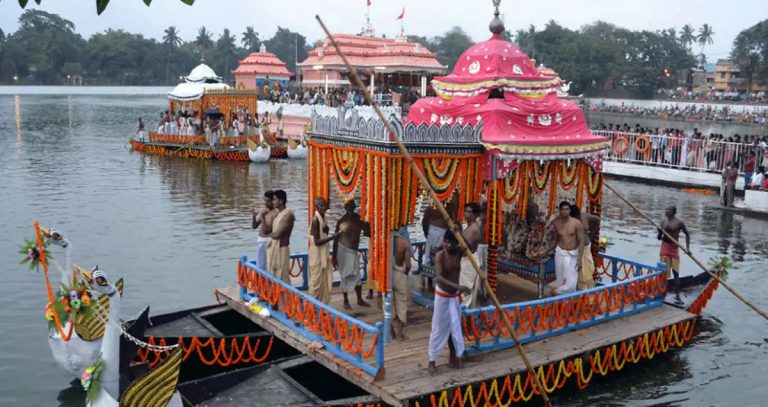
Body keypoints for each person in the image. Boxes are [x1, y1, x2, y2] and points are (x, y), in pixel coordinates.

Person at [428, 230, 470, 376]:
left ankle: (457, 357)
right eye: (448, 242)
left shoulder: (459, 251)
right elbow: (439, 277)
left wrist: (458, 232)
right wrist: (458, 287)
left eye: (453, 242)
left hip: (454, 297)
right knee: (438, 328)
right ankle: (432, 361)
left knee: (456, 327)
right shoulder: (441, 255)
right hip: (443, 296)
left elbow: (468, 245)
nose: (450, 245)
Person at [333, 201, 371, 310]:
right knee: (345, 276)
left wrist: (368, 221)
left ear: (354, 207)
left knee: (357, 276)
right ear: (345, 208)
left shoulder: (359, 219)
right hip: (343, 251)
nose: (350, 208)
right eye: (348, 206)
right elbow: (336, 239)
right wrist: (334, 257)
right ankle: (346, 301)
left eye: (351, 206)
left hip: (353, 252)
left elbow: (368, 232)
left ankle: (359, 299)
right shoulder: (342, 221)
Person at [543, 201, 583, 296]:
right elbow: (555, 240)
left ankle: (556, 292)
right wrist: (546, 251)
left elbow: (581, 242)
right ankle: (562, 303)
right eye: (563, 209)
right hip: (560, 253)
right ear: (560, 211)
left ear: (569, 210)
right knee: (560, 280)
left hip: (572, 254)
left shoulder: (576, 223)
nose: (565, 211)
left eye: (567, 209)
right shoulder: (557, 223)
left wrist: (580, 259)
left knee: (571, 283)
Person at [308, 197, 339, 304]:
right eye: (320, 206)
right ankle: (311, 306)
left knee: (323, 281)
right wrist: (333, 237)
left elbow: (324, 231)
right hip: (316, 254)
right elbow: (317, 242)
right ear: (316, 207)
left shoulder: (323, 218)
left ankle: (321, 305)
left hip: (322, 253)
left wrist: (327, 230)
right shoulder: (316, 220)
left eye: (324, 205)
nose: (323, 207)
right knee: (316, 282)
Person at [657, 206, 690, 302]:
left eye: (668, 210)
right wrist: (659, 232)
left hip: (674, 248)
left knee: (676, 272)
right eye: (666, 210)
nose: (666, 211)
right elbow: (659, 238)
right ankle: (662, 293)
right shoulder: (663, 222)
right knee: (663, 272)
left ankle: (677, 294)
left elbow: (687, 235)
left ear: (673, 212)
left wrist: (688, 248)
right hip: (664, 247)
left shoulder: (679, 223)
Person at [457, 203, 486, 308]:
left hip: (469, 262)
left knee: (465, 291)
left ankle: (464, 317)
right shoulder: (469, 227)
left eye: (469, 212)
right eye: (465, 211)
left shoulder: (474, 228)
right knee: (463, 290)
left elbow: (466, 246)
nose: (466, 214)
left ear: (475, 215)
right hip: (465, 260)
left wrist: (459, 233)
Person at [267, 190, 295, 291]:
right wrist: (262, 217)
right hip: (274, 249)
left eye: (275, 199)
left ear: (281, 201)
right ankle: (274, 305)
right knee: (273, 278)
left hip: (282, 250)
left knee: (283, 279)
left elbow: (277, 234)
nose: (273, 202)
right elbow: (268, 229)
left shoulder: (288, 215)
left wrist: (267, 235)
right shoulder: (277, 214)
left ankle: (286, 305)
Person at [570, 205, 597, 290]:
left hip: (585, 246)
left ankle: (585, 293)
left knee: (586, 270)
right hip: (577, 247)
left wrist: (592, 233)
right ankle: (580, 292)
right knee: (580, 273)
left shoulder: (585, 216)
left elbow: (597, 219)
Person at [391, 227, 411, 340]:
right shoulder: (404, 243)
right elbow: (408, 265)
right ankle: (399, 334)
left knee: (388, 302)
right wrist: (404, 272)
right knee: (401, 303)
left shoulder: (384, 241)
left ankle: (391, 332)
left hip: (387, 275)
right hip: (400, 274)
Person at [252, 190, 277, 272]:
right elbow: (254, 226)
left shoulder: (275, 213)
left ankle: (268, 284)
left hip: (268, 242)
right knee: (260, 266)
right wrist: (254, 217)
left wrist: (262, 217)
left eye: (268, 201)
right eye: (265, 201)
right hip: (260, 241)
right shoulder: (263, 210)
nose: (266, 203)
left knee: (267, 267)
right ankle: (261, 283)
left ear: (273, 201)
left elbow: (267, 230)